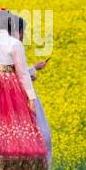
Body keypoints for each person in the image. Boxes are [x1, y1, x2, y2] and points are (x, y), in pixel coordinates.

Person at [0, 9, 48, 170]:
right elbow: (22, 73)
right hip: (9, 88)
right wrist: (31, 97)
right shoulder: (14, 43)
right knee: (13, 126)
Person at [17, 16, 53, 160]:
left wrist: (30, 73)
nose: (23, 35)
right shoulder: (15, 46)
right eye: (23, 31)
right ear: (19, 31)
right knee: (39, 132)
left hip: (16, 89)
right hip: (21, 94)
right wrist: (34, 68)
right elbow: (15, 72)